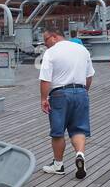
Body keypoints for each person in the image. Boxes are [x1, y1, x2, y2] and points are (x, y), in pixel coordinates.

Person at [38, 29, 94, 179]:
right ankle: (80, 154)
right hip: (81, 92)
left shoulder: (51, 52)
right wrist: (84, 92)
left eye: (46, 40)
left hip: (60, 94)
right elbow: (89, 76)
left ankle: (58, 165)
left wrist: (44, 99)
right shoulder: (82, 50)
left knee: (57, 131)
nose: (45, 44)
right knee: (78, 129)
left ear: (55, 36)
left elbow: (45, 79)